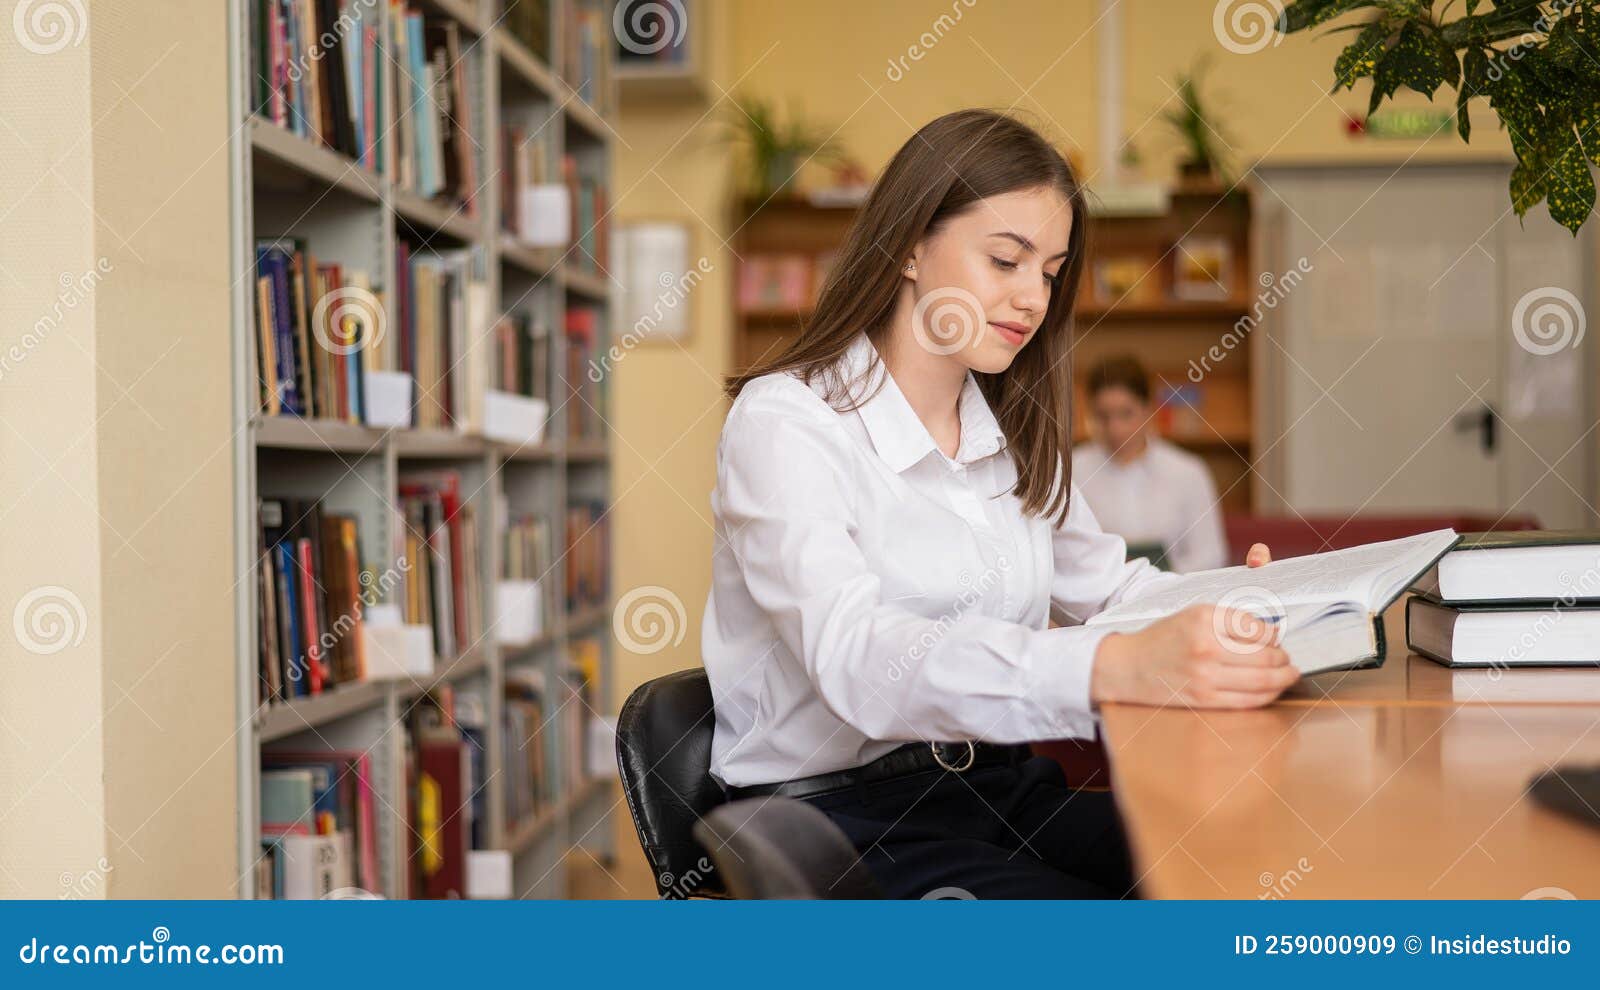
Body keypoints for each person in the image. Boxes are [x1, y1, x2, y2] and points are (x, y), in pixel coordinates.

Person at [701, 108, 1294, 900]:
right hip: (845, 821)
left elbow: (1111, 588)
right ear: (911, 243)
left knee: (1240, 857)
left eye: (1049, 272)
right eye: (1006, 259)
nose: (1031, 298)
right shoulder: (788, 423)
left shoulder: (1006, 432)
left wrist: (1237, 606)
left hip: (993, 791)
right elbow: (859, 661)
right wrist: (1110, 666)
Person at [1071, 355, 1230, 573]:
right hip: (1100, 600)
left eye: (1125, 414)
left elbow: (1210, 555)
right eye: (1103, 416)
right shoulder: (1072, 471)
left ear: (1148, 409)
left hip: (1174, 596)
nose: (1115, 429)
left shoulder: (1188, 471)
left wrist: (1159, 582)